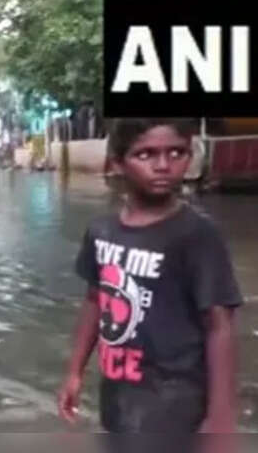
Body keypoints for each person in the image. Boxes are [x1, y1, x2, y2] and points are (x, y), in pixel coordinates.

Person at [57, 118, 241, 435]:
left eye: (176, 153)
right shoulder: (102, 231)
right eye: (145, 155)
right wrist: (75, 372)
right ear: (117, 163)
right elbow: (95, 300)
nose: (163, 165)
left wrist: (221, 416)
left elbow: (219, 325)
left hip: (176, 398)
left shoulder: (196, 234)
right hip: (117, 391)